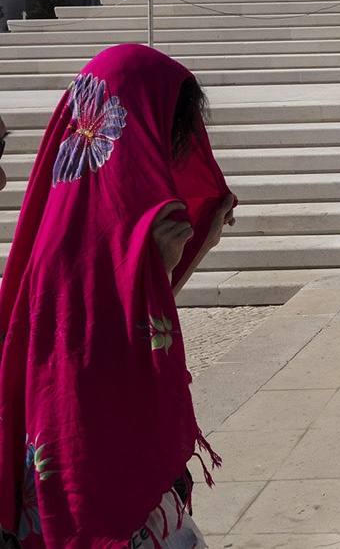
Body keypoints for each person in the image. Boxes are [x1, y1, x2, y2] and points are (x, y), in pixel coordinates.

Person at [0, 44, 237, 549]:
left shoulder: (79, 214)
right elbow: (109, 352)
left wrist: (185, 252)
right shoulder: (83, 236)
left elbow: (132, 321)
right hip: (94, 493)